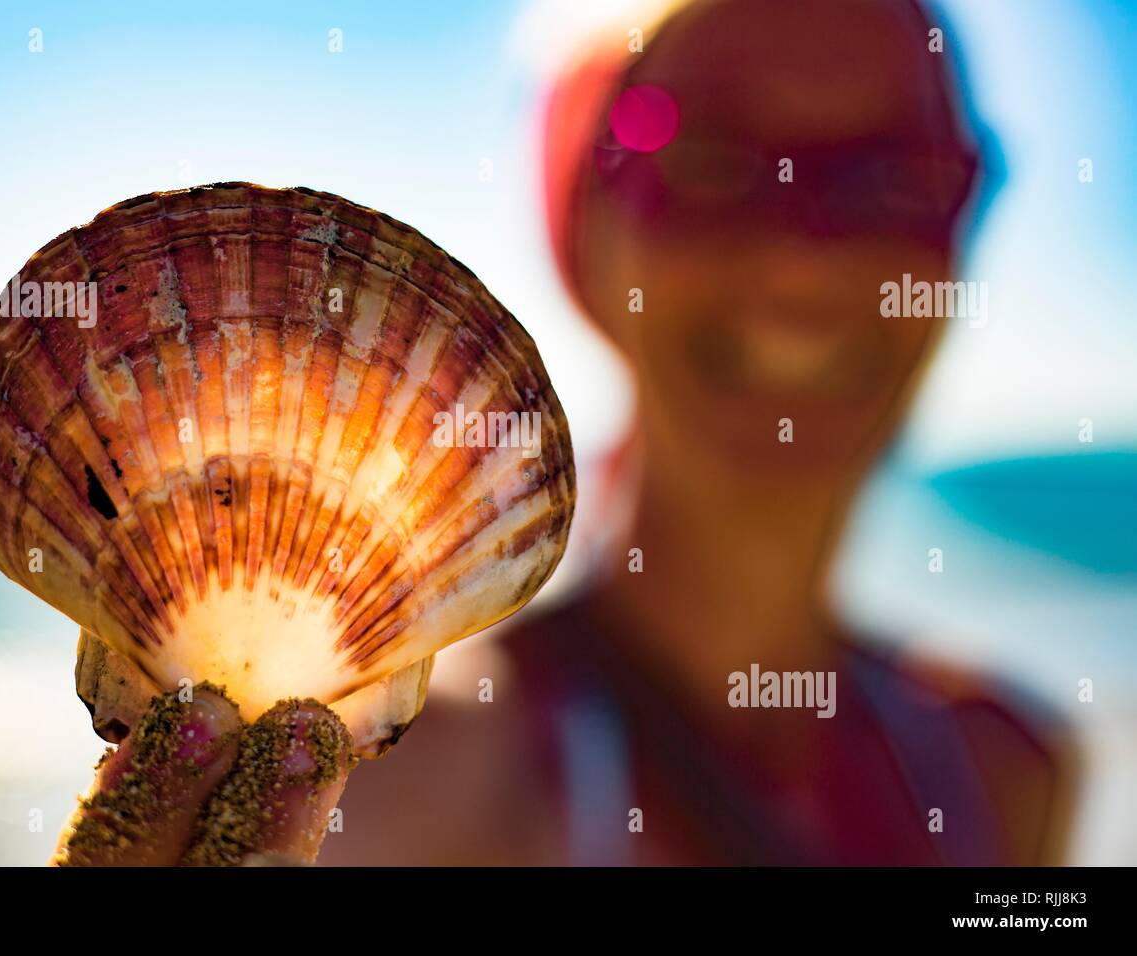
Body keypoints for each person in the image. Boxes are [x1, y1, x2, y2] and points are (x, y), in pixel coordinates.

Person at [58, 0, 1077, 866]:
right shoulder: (398, 787)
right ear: (583, 234)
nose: (802, 255)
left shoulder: (1007, 766)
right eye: (710, 162)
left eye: (895, 176)